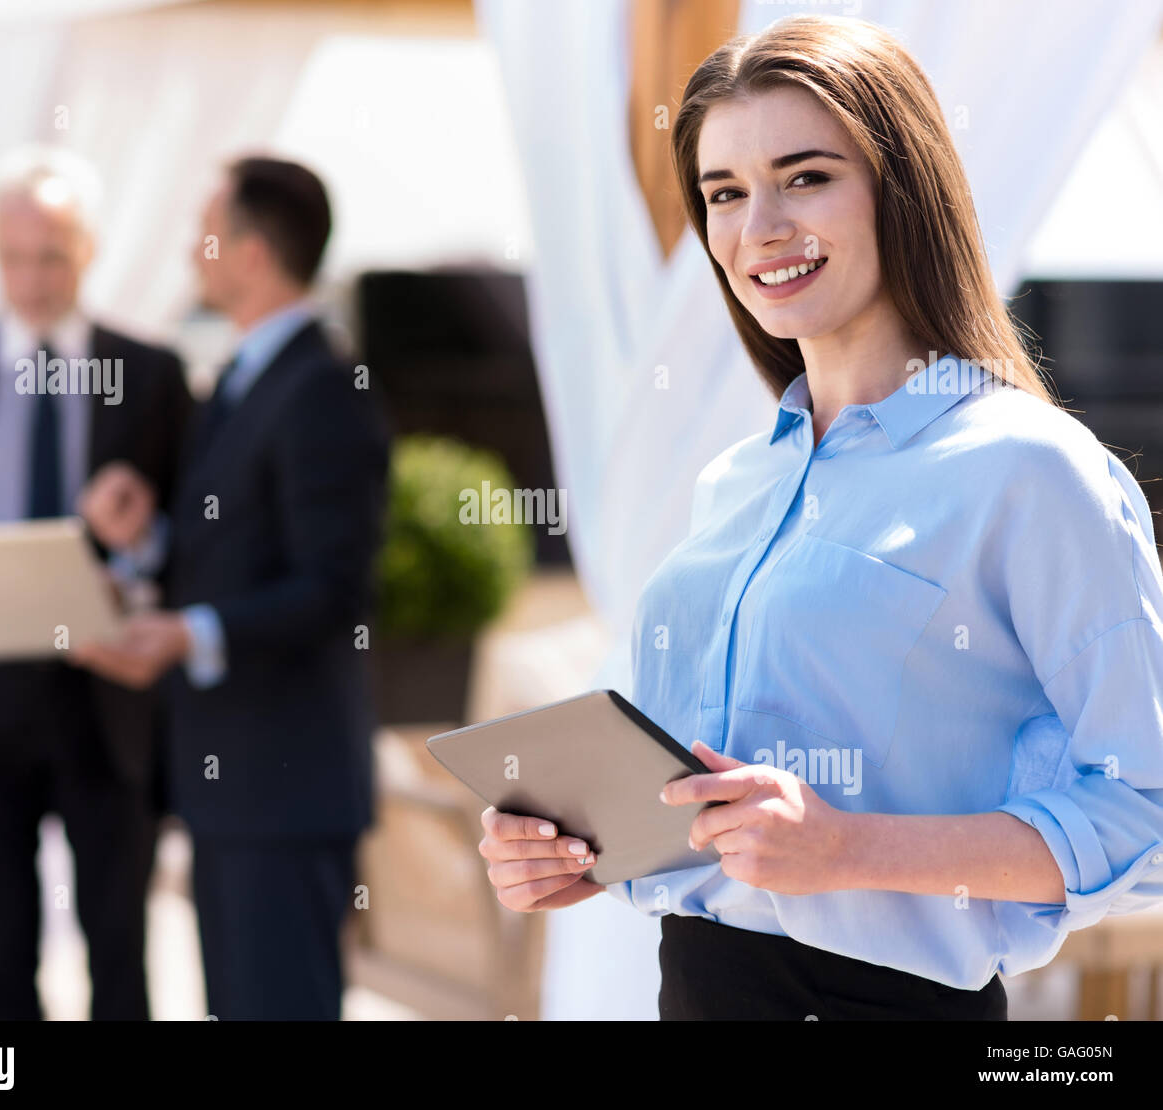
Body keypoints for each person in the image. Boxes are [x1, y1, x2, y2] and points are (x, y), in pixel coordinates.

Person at [476, 14, 1163, 1020]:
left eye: (804, 177)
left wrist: (848, 848)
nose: (758, 228)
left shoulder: (1031, 471)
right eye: (723, 192)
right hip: (697, 989)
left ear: (902, 188)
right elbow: (716, 811)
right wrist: (584, 851)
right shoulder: (734, 485)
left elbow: (1144, 814)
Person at [73, 156, 390, 1020]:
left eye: (205, 232)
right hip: (233, 789)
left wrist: (188, 634)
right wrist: (147, 538)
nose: (192, 251)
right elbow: (239, 555)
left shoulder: (322, 387)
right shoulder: (243, 380)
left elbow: (334, 588)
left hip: (285, 790)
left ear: (250, 253)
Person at [0, 145, 192, 1020]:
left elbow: (194, 539)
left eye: (51, 256)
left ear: (88, 249)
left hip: (107, 705)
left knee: (120, 955)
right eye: (13, 257)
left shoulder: (150, 374)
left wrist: (142, 538)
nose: (31, 280)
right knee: (0, 957)